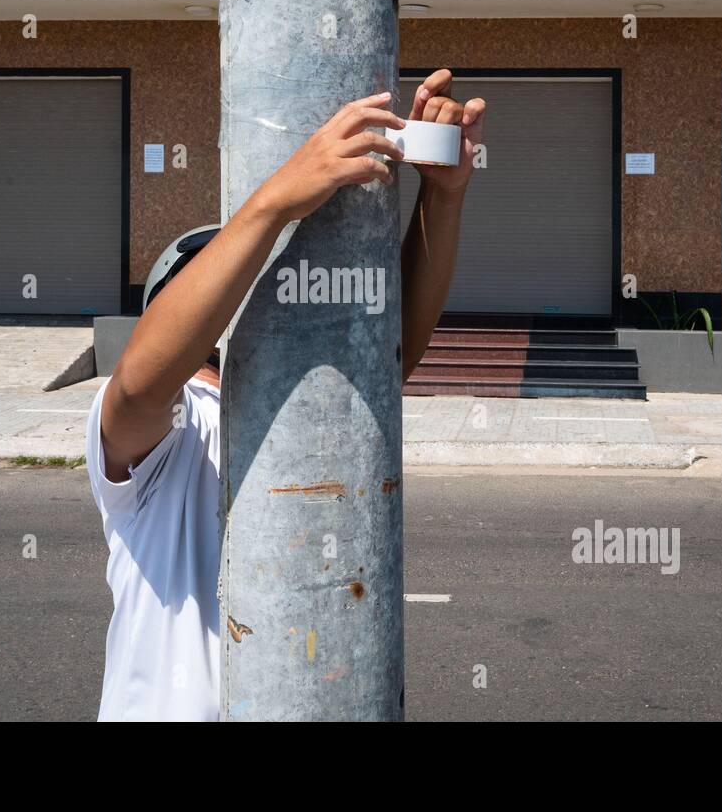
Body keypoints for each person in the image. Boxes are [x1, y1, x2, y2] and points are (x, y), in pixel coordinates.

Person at [85, 69, 486, 720]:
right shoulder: (174, 435)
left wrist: (440, 197)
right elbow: (137, 385)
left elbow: (386, 361)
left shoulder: (273, 395)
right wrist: (275, 202)